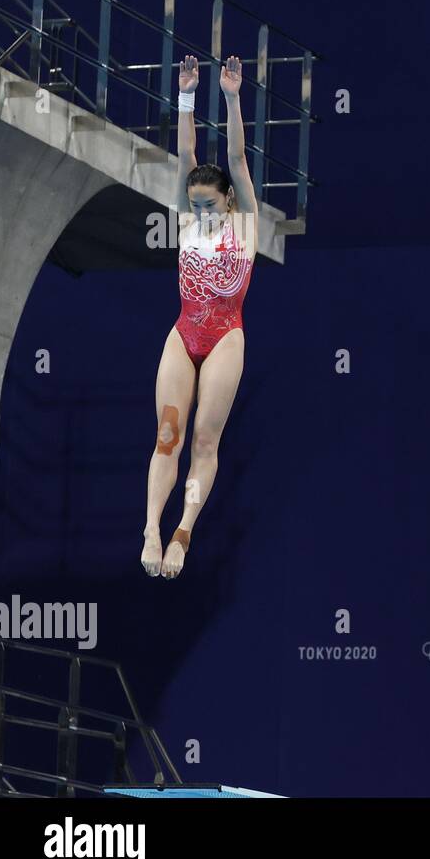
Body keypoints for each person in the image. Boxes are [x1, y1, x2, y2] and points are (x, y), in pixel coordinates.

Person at [140, 54, 259, 578]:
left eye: (210, 205)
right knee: (169, 435)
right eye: (196, 204)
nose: (202, 212)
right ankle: (150, 528)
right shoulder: (188, 221)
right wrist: (186, 93)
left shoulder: (246, 225)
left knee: (205, 441)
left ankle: (183, 531)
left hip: (225, 337)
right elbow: (185, 151)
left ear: (227, 201)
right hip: (183, 333)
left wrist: (231, 97)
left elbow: (236, 158)